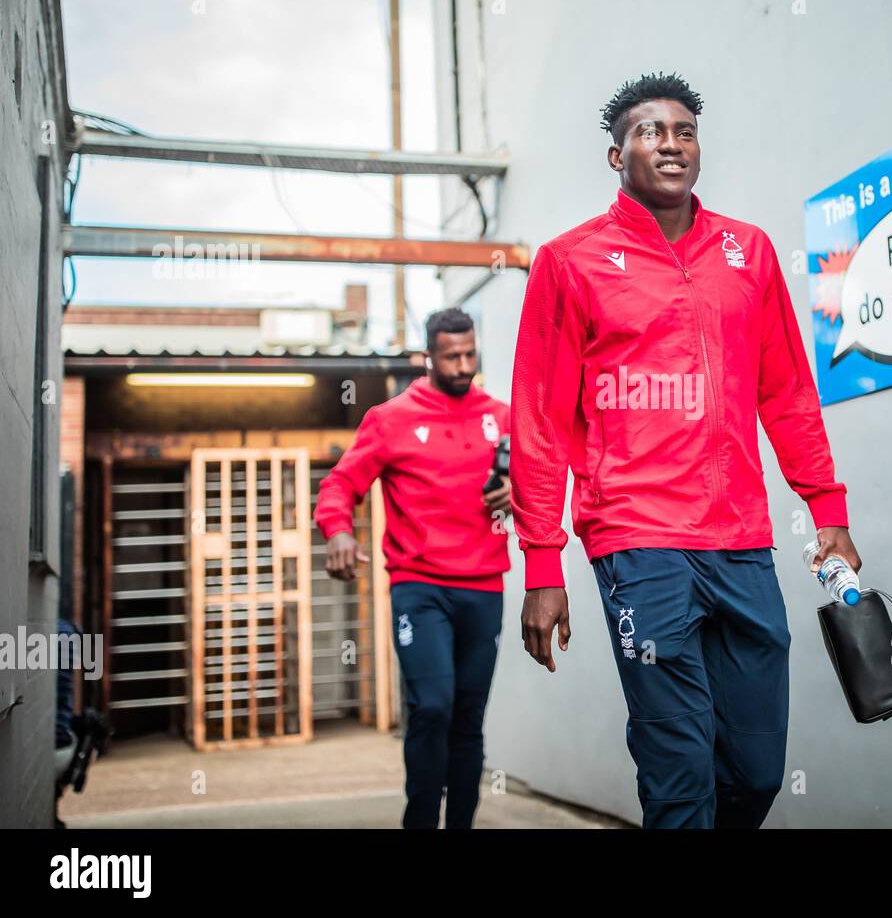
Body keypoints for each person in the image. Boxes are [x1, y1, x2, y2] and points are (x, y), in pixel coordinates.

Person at [509, 71, 861, 829]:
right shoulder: (570, 262)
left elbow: (788, 392)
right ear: (617, 155)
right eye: (650, 131)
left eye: (684, 132)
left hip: (742, 540)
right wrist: (543, 563)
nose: (670, 144)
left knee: (757, 769)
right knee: (677, 767)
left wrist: (825, 506)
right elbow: (538, 421)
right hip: (637, 542)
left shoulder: (750, 252)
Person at [315, 308, 511, 829]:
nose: (464, 364)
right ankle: (420, 821)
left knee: (468, 719)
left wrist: (520, 493)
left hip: (485, 587)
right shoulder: (391, 418)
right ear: (429, 357)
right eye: (452, 356)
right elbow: (340, 484)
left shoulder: (502, 416)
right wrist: (337, 530)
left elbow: (542, 482)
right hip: (420, 586)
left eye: (470, 354)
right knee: (432, 707)